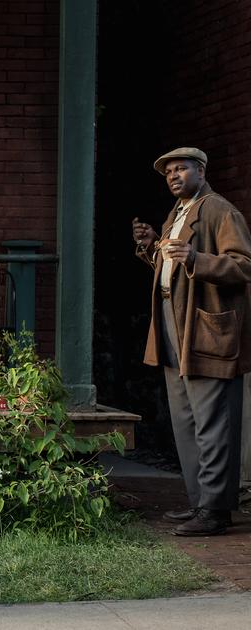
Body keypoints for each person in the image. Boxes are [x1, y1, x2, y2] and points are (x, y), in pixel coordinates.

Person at [132, 147, 251, 536]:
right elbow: (174, 263)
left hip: (206, 328)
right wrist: (153, 246)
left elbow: (244, 266)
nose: (173, 176)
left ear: (200, 170)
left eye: (181, 169)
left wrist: (197, 257)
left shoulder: (219, 210)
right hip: (173, 322)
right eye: (168, 172)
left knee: (212, 421)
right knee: (185, 419)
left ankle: (216, 510)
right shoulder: (177, 213)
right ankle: (200, 503)